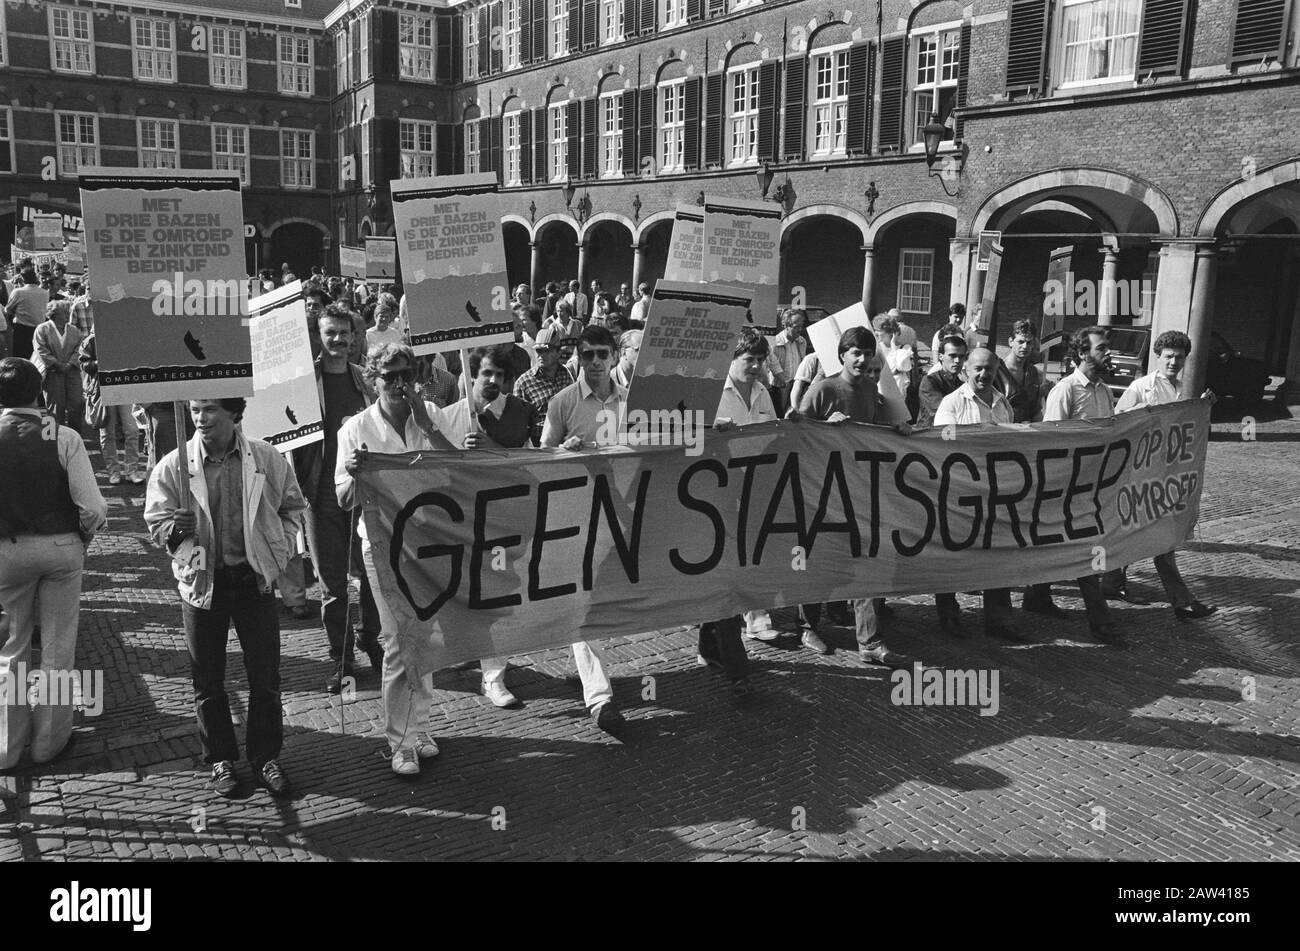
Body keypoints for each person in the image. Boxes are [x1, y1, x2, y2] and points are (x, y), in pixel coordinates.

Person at [144, 398, 305, 797]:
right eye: (196, 409)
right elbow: (155, 523)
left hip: (252, 581)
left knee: (265, 677)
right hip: (203, 582)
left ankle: (265, 756)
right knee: (208, 679)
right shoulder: (174, 466)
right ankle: (219, 757)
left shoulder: (266, 457)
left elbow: (293, 506)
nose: (200, 418)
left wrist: (276, 553)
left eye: (211, 409)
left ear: (235, 413)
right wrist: (175, 530)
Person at [336, 345, 465, 776]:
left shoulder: (429, 412)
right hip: (383, 546)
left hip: (428, 541)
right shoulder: (355, 428)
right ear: (373, 379)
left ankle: (421, 728)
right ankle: (400, 742)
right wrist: (354, 473)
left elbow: (458, 468)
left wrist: (428, 425)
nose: (397, 384)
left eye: (404, 374)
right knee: (396, 642)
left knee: (424, 640)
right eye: (388, 376)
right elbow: (342, 499)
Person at [0, 358, 108, 770]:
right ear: (38, 392)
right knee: (59, 648)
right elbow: (94, 506)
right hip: (60, 546)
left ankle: (7, 748)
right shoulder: (61, 435)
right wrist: (83, 537)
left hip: (7, 551)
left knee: (11, 648)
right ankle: (49, 742)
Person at [795, 327, 914, 668]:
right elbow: (797, 432)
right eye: (855, 353)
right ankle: (807, 626)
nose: (862, 360)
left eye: (867, 353)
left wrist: (898, 430)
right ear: (842, 355)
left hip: (860, 490)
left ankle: (870, 641)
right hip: (820, 490)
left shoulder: (871, 391)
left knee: (868, 560)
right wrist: (823, 426)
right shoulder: (823, 389)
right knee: (817, 562)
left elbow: (873, 435)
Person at [540, 325, 627, 729]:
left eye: (602, 354)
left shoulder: (633, 402)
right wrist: (562, 453)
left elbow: (667, 442)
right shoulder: (563, 403)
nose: (595, 362)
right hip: (579, 515)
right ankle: (600, 698)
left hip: (625, 514)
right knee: (584, 604)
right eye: (587, 354)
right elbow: (542, 459)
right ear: (577, 357)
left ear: (614, 356)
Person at [292, 305, 383, 692]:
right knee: (332, 586)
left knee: (373, 577)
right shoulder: (301, 384)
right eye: (331, 333)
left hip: (363, 495)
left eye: (345, 334)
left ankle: (370, 636)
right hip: (320, 495)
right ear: (319, 335)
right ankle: (341, 658)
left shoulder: (365, 381)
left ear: (355, 337)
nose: (339, 341)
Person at [1108, 330, 1216, 623]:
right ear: (1159, 356)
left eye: (1179, 357)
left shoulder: (1181, 390)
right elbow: (1117, 421)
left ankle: (1179, 601)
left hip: (1161, 476)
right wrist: (1142, 412)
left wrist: (1203, 407)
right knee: (1133, 532)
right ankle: (1176, 601)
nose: (1173, 362)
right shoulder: (1141, 386)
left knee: (1161, 538)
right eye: (1169, 356)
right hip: (1137, 474)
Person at [933, 348, 1025, 641]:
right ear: (966, 370)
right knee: (952, 554)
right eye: (978, 369)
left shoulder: (1002, 404)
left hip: (996, 490)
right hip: (960, 490)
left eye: (989, 369)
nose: (984, 375)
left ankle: (999, 620)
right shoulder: (952, 403)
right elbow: (940, 443)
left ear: (996, 369)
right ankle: (948, 615)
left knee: (997, 552)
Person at [1042, 326, 1124, 644]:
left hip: (1095, 487)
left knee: (1054, 545)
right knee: (1087, 551)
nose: (1108, 353)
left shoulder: (1105, 392)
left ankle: (1036, 596)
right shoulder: (1065, 391)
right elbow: (1049, 441)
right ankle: (1100, 623)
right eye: (1101, 348)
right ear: (1081, 353)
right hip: (1067, 488)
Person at [712, 327, 780, 649]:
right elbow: (686, 434)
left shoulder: (763, 393)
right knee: (725, 551)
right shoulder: (712, 392)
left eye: (760, 360)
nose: (755, 366)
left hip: (756, 481)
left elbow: (775, 433)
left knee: (754, 547)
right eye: (749, 359)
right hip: (720, 483)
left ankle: (755, 615)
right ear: (732, 358)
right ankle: (720, 617)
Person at [78, 333, 144, 485]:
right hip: (103, 388)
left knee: (132, 429)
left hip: (124, 385)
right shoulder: (91, 340)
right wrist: (99, 363)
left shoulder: (124, 334)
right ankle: (113, 471)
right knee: (107, 431)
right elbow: (83, 363)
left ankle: (131, 470)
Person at [513, 326, 575, 445]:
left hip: (568, 439)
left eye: (547, 350)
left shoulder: (567, 374)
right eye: (538, 350)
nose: (542, 355)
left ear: (558, 352)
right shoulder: (523, 383)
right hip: (539, 444)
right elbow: (519, 425)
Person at [32, 300, 85, 432]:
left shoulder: (74, 330)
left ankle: (75, 436)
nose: (68, 315)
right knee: (54, 407)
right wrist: (56, 364)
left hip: (72, 372)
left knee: (76, 404)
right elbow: (40, 350)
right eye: (65, 312)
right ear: (54, 314)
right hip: (52, 372)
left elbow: (80, 349)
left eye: (68, 312)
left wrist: (70, 364)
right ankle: (52, 438)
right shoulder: (42, 329)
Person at [996, 320, 1046, 424]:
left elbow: (1035, 411)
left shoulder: (1033, 372)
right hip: (1004, 430)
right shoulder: (997, 371)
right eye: (1020, 342)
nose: (1025, 346)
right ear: (1011, 341)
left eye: (1029, 342)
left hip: (1028, 432)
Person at [916, 334, 967, 430]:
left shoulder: (962, 384)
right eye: (952, 356)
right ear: (941, 357)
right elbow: (943, 411)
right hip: (928, 436)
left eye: (961, 356)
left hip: (952, 434)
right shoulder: (930, 381)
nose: (957, 360)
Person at [767, 308, 808, 418]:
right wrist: (784, 381)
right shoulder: (774, 342)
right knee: (779, 415)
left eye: (801, 326)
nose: (800, 329)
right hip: (778, 388)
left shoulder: (802, 341)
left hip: (795, 386)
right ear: (786, 326)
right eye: (796, 327)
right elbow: (771, 367)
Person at [4, 268, 49, 360]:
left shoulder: (18, 292)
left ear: (22, 278)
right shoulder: (45, 293)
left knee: (21, 358)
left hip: (22, 330)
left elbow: (7, 310)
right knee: (37, 358)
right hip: (39, 329)